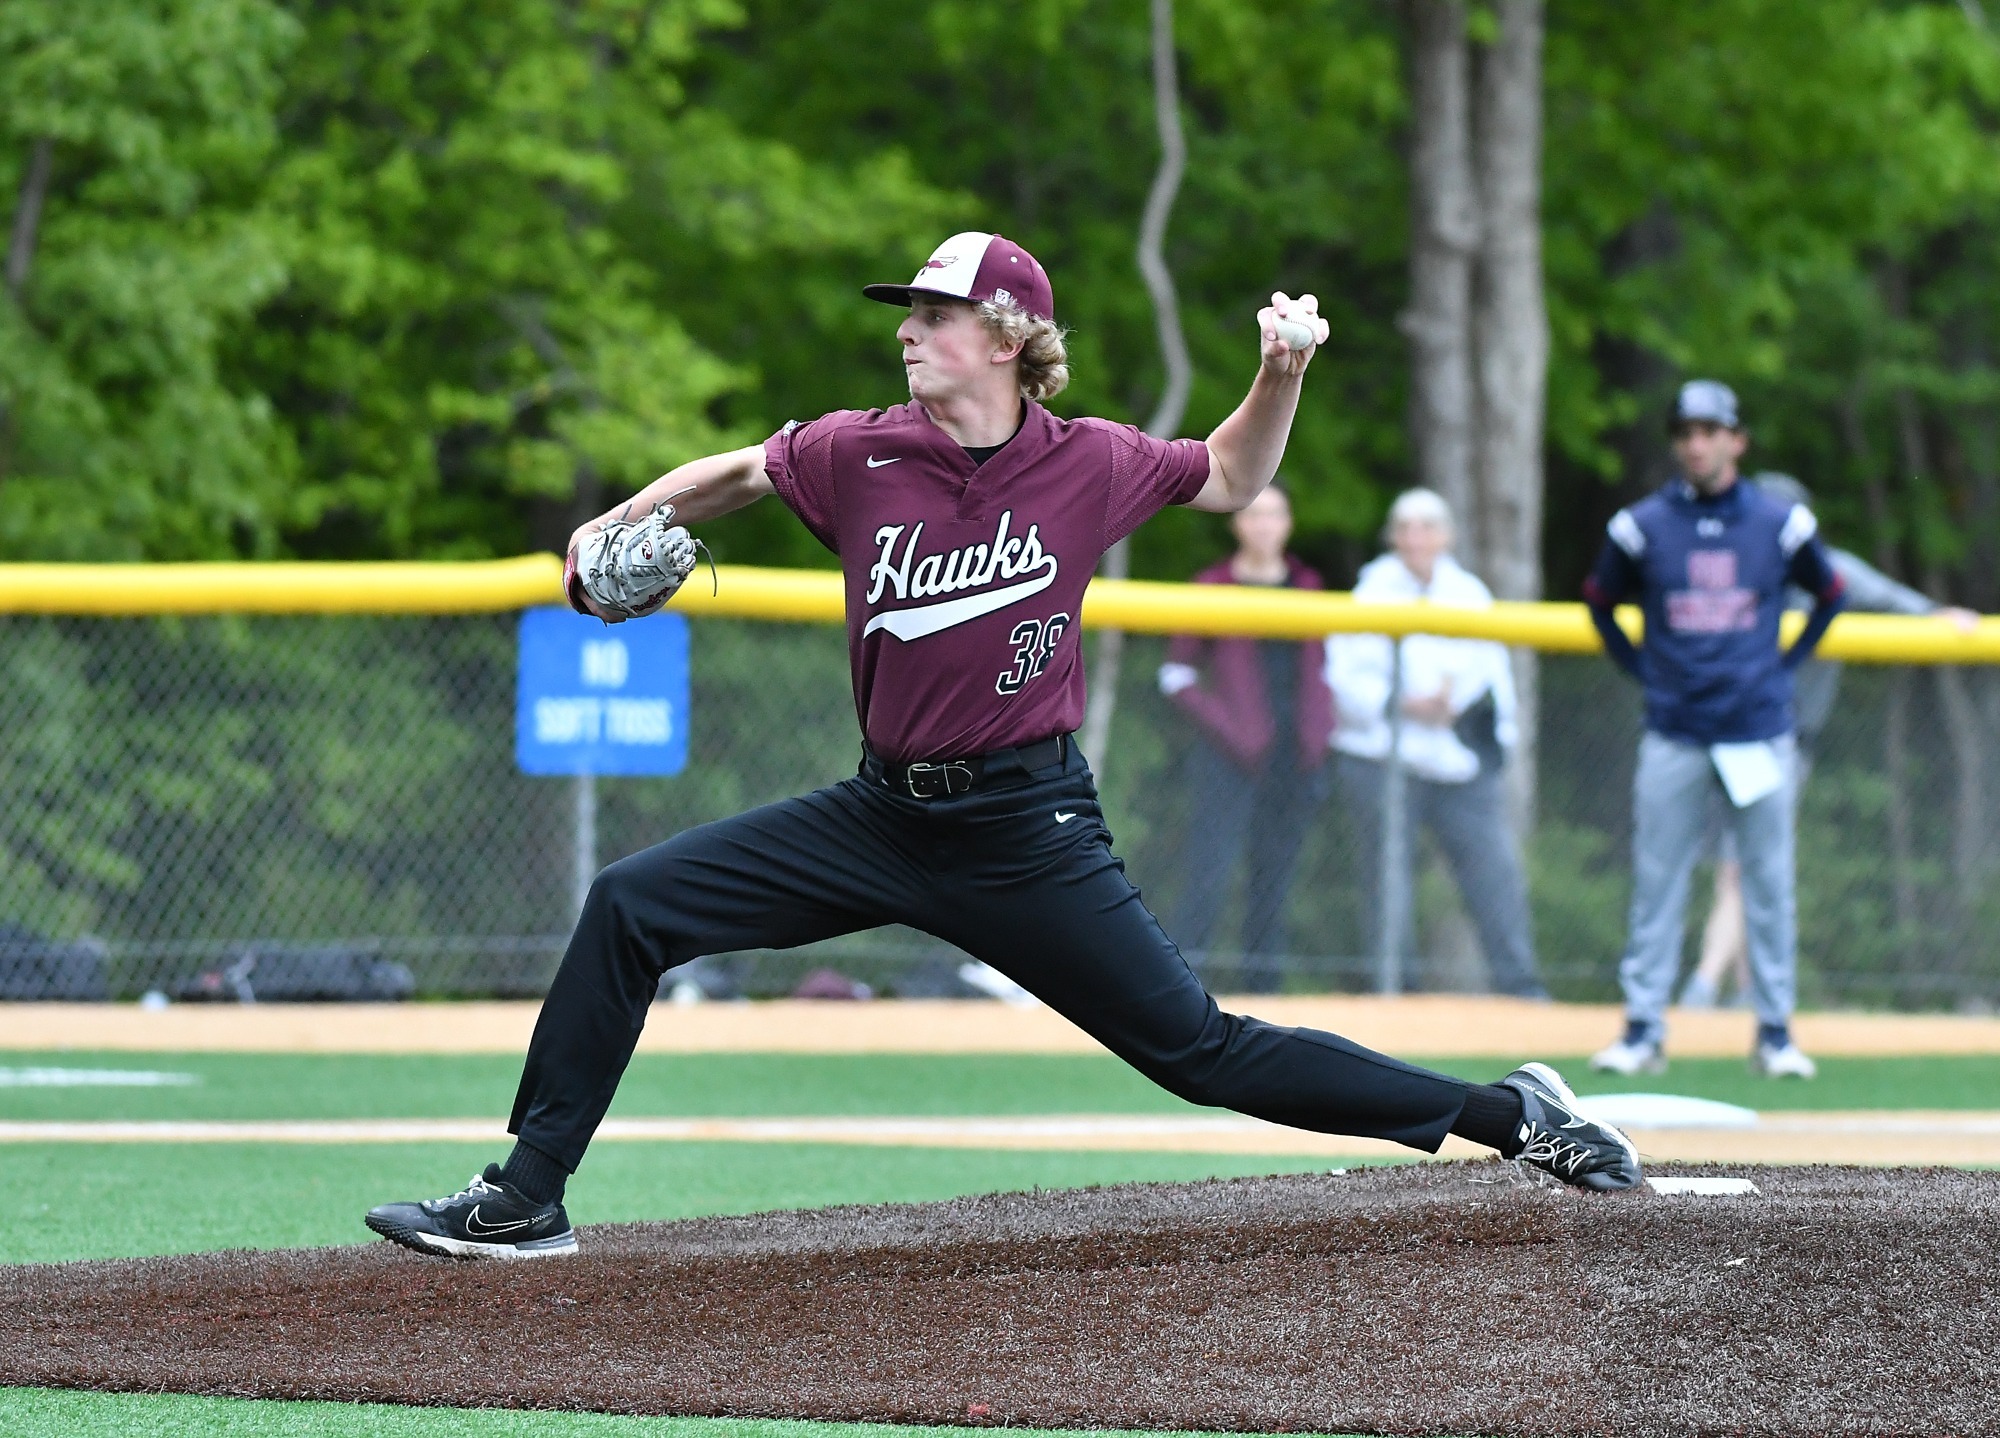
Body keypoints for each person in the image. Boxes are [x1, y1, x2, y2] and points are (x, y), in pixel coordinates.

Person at [364, 230, 1641, 1260]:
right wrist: (612, 525)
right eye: (907, 312)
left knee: (1197, 1051)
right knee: (632, 905)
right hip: (877, 817)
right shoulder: (863, 449)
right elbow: (740, 471)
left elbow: (1231, 479)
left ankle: (1512, 1112)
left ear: (1010, 338)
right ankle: (527, 1195)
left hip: (1026, 830)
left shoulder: (1086, 462)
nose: (907, 328)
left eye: (933, 312)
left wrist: (1281, 371)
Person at [1584, 381, 1846, 1080]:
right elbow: (1600, 599)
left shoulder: (1778, 522)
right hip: (1675, 728)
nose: (1696, 443)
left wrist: (1784, 667)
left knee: (1768, 881)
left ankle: (1776, 1032)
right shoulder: (1641, 525)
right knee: (1657, 880)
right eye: (1685, 431)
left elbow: (1832, 593)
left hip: (1757, 730)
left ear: (1736, 439)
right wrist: (1645, 670)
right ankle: (1643, 1029)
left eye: (1709, 430)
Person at [1677, 472, 1981, 1011]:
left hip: (1781, 742)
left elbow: (1888, 598)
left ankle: (1706, 985)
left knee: (1742, 867)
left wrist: (1937, 616)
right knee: (1744, 867)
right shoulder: (1731, 568)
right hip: (1724, 736)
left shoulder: (1824, 569)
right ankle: (1744, 992)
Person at [1326, 488, 1547, 1000]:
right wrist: (1405, 702)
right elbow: (1345, 679)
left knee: (1495, 872)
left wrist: (1456, 707)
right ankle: (1395, 992)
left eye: (1427, 527)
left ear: (1446, 536)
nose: (1416, 538)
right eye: (1405, 527)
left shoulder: (1469, 593)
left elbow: (1493, 682)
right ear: (1393, 537)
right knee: (1387, 881)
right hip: (1383, 755)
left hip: (1457, 761)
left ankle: (1522, 988)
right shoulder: (1370, 591)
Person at [1155, 483, 1335, 992]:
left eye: (1275, 515)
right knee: (1209, 872)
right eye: (1254, 515)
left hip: (1294, 756)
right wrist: (1229, 728)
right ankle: (1180, 987)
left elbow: (1326, 671)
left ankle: (1264, 989)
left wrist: (1319, 734)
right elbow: (1177, 676)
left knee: (1275, 876)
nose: (1264, 525)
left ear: (1288, 523)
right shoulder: (1211, 586)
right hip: (1227, 757)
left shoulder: (1308, 586)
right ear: (1237, 523)